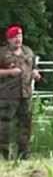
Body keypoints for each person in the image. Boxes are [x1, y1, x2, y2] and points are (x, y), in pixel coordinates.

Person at [0, 26, 41, 160]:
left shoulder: (28, 51)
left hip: (25, 94)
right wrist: (9, 72)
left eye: (20, 36)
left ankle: (24, 154)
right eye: (14, 37)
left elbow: (34, 67)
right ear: (8, 39)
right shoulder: (2, 53)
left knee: (25, 125)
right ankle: (3, 155)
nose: (18, 39)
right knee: (4, 126)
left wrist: (35, 73)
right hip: (7, 95)